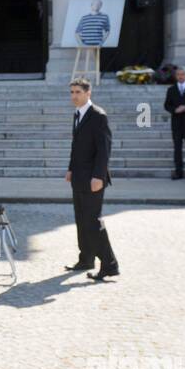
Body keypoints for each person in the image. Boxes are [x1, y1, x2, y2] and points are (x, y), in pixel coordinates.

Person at [65, 78, 118, 282]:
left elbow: (104, 150)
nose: (74, 96)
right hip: (78, 177)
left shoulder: (98, 116)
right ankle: (86, 259)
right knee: (81, 219)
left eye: (78, 92)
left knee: (93, 221)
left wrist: (98, 176)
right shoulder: (78, 114)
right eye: (71, 92)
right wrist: (70, 169)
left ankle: (109, 265)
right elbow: (76, 146)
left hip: (93, 179)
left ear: (88, 93)